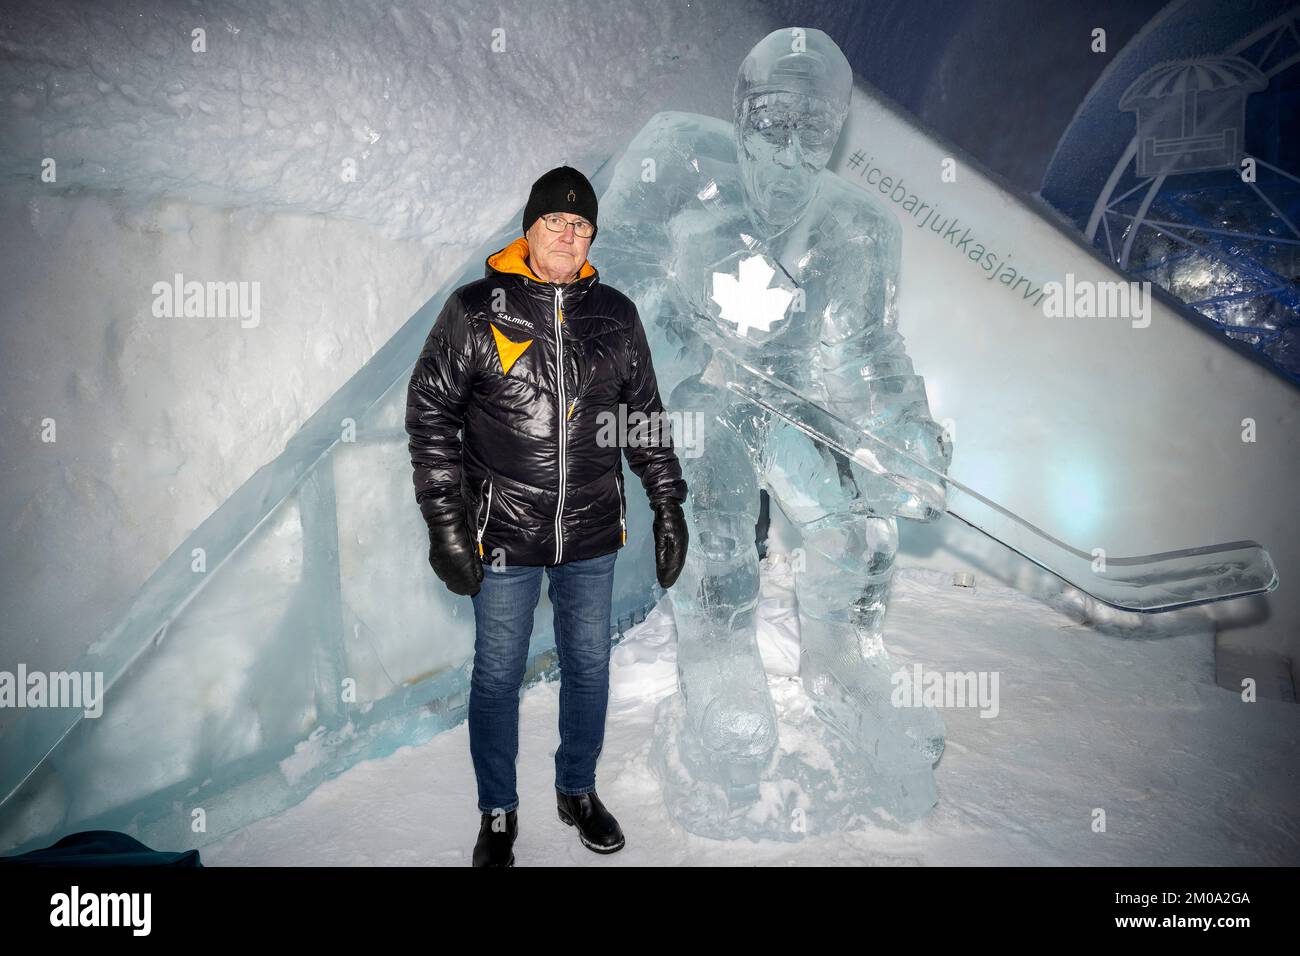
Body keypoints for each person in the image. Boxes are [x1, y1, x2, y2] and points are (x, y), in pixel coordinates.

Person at [405, 166, 689, 866]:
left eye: (581, 224)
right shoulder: (476, 309)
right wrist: (446, 523)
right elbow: (431, 413)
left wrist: (667, 502)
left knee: (590, 666)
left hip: (592, 532)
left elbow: (643, 418)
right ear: (528, 228)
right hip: (502, 534)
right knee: (498, 674)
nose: (568, 233)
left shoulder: (616, 315)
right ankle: (498, 813)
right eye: (555, 221)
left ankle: (577, 790)